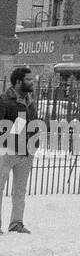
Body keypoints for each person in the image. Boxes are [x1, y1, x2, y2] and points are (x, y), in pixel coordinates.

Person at [0, 66, 38, 234]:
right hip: (7, 151)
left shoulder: (30, 102)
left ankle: (16, 223)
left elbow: (35, 124)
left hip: (26, 152)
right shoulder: (4, 101)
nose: (33, 82)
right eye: (29, 79)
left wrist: (34, 145)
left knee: (20, 190)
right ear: (18, 82)